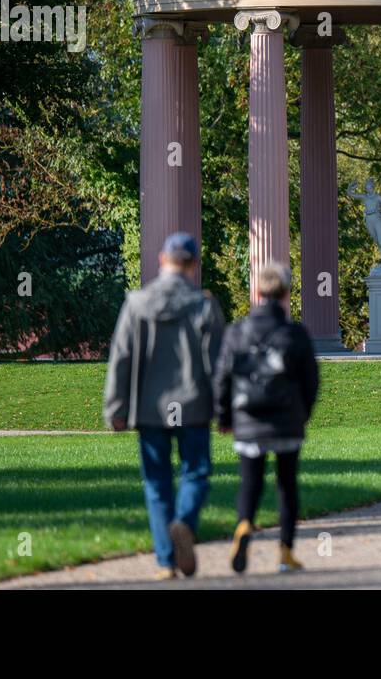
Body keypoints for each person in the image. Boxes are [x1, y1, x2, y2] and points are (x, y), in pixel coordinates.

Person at [104, 232, 223, 580]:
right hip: (194, 405)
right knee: (196, 473)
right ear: (194, 264)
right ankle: (184, 522)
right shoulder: (204, 305)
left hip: (150, 408)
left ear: (161, 260)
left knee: (156, 482)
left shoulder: (137, 303)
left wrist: (116, 407)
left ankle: (165, 562)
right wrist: (225, 409)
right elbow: (217, 363)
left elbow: (121, 358)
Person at [214, 261, 320, 575]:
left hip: (248, 418)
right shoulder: (295, 333)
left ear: (257, 291)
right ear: (286, 292)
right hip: (286, 418)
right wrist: (304, 413)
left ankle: (244, 524)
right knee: (287, 484)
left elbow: (222, 378)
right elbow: (311, 380)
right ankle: (285, 552)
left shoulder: (236, 332)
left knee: (250, 481)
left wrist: (224, 416)